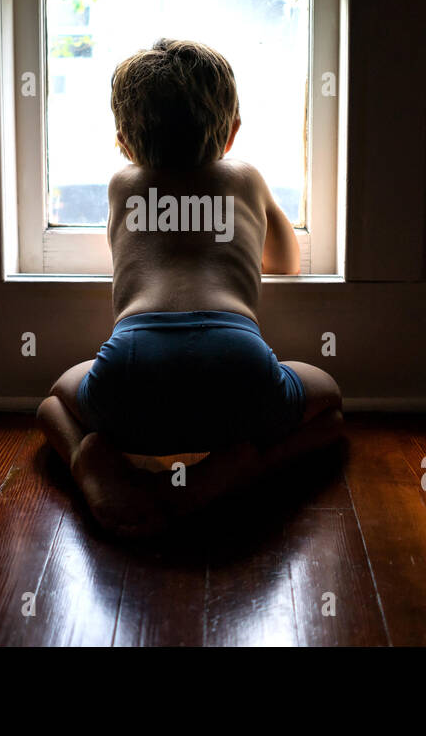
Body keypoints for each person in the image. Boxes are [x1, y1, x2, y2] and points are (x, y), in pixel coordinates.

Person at [36, 38, 344, 537]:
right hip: (235, 363)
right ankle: (244, 465)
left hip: (133, 366)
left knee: (53, 402)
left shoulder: (121, 185)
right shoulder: (244, 176)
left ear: (124, 141)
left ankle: (87, 461)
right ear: (233, 133)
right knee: (328, 408)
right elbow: (285, 262)